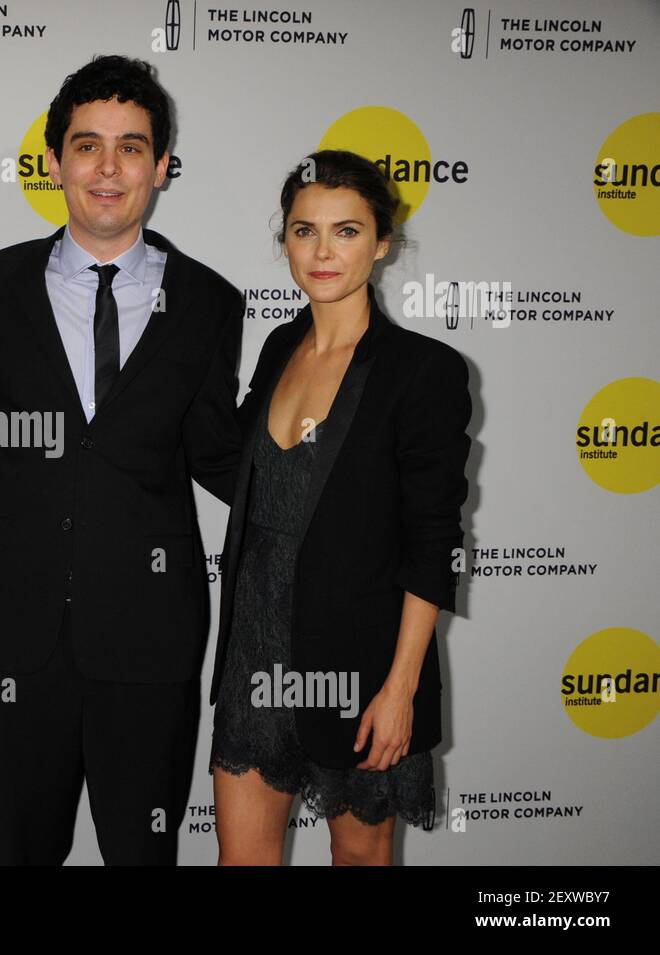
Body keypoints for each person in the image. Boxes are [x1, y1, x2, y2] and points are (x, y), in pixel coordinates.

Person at [0, 55, 243, 865]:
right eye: (87, 145)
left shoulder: (211, 300)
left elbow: (222, 453)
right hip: (14, 637)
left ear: (158, 165)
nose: (108, 168)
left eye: (130, 147)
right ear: (54, 162)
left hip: (150, 638)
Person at [208, 149, 472, 866]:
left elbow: (432, 537)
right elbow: (244, 476)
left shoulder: (423, 370)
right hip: (253, 656)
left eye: (347, 231)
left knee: (359, 859)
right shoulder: (278, 346)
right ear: (285, 240)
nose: (323, 251)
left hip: (361, 663)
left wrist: (400, 687)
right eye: (304, 231)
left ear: (382, 242)